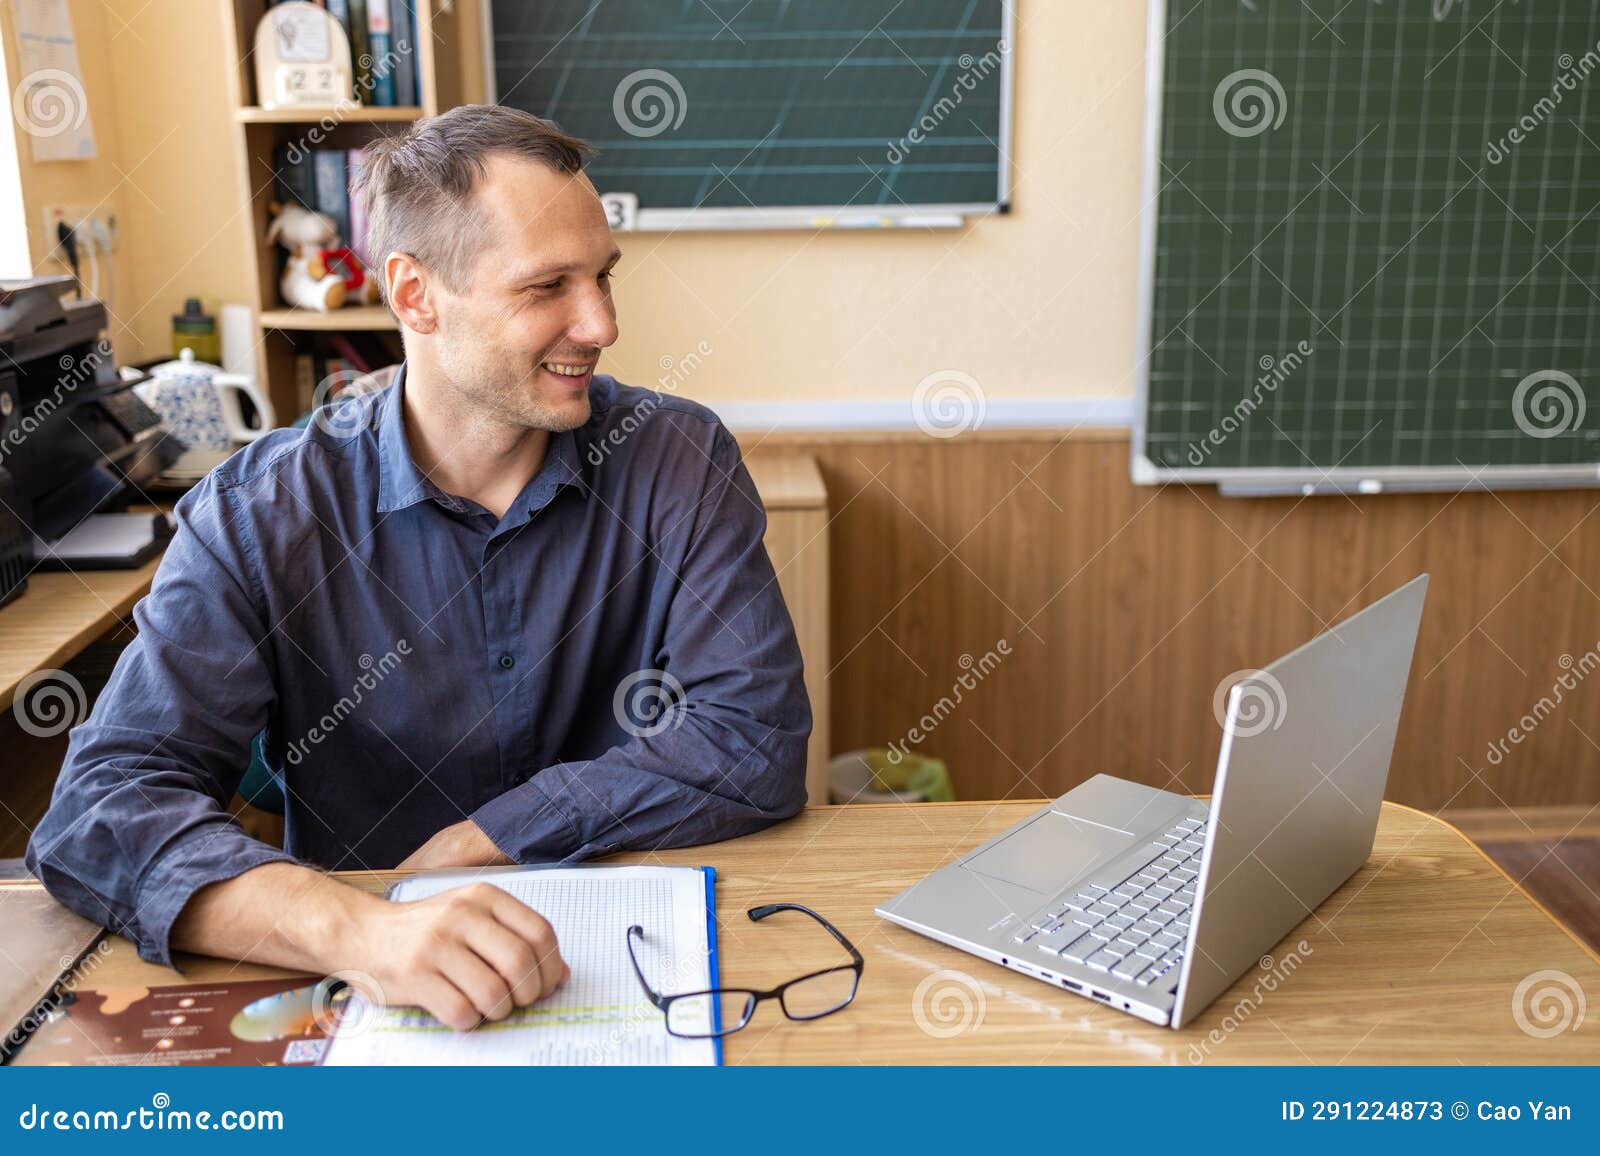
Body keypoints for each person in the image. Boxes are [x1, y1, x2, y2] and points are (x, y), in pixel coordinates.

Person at [26, 105, 811, 1031]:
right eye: (547, 286)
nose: (600, 322)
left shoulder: (677, 457)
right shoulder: (259, 512)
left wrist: (492, 837)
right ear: (415, 294)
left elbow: (754, 740)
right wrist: (357, 931)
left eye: (602, 276)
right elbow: (101, 809)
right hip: (368, 994)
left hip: (636, 970)